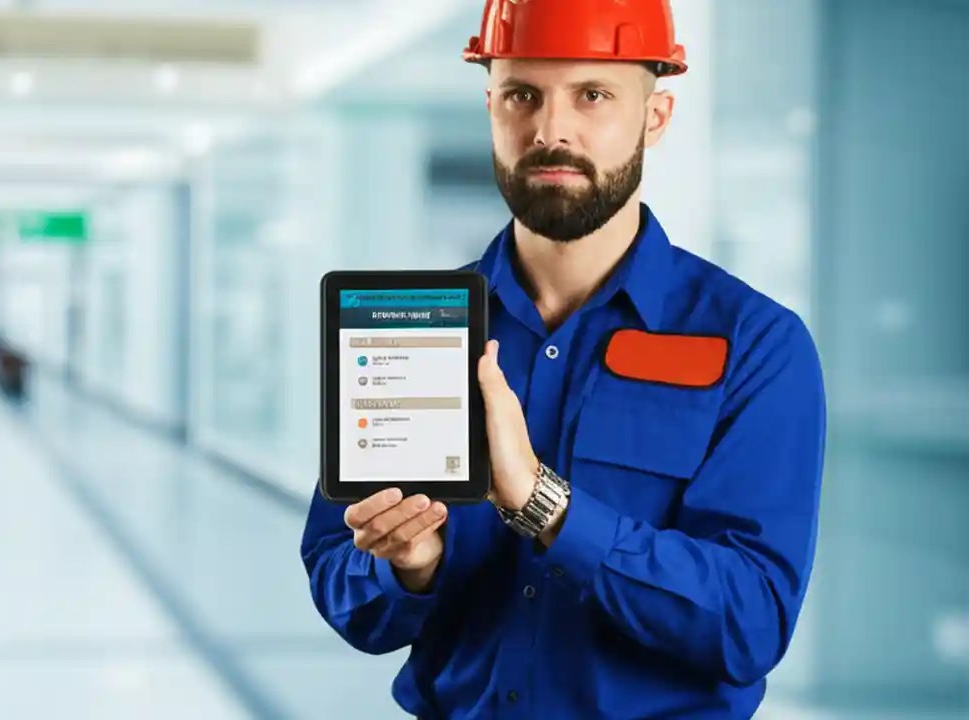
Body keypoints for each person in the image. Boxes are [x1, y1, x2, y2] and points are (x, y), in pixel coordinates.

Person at [300, 0, 827, 717]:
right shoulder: (413, 331)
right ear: (492, 107)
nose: (551, 130)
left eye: (594, 95)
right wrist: (410, 570)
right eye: (522, 95)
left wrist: (544, 507)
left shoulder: (755, 344)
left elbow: (750, 621)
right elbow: (343, 586)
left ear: (656, 117)